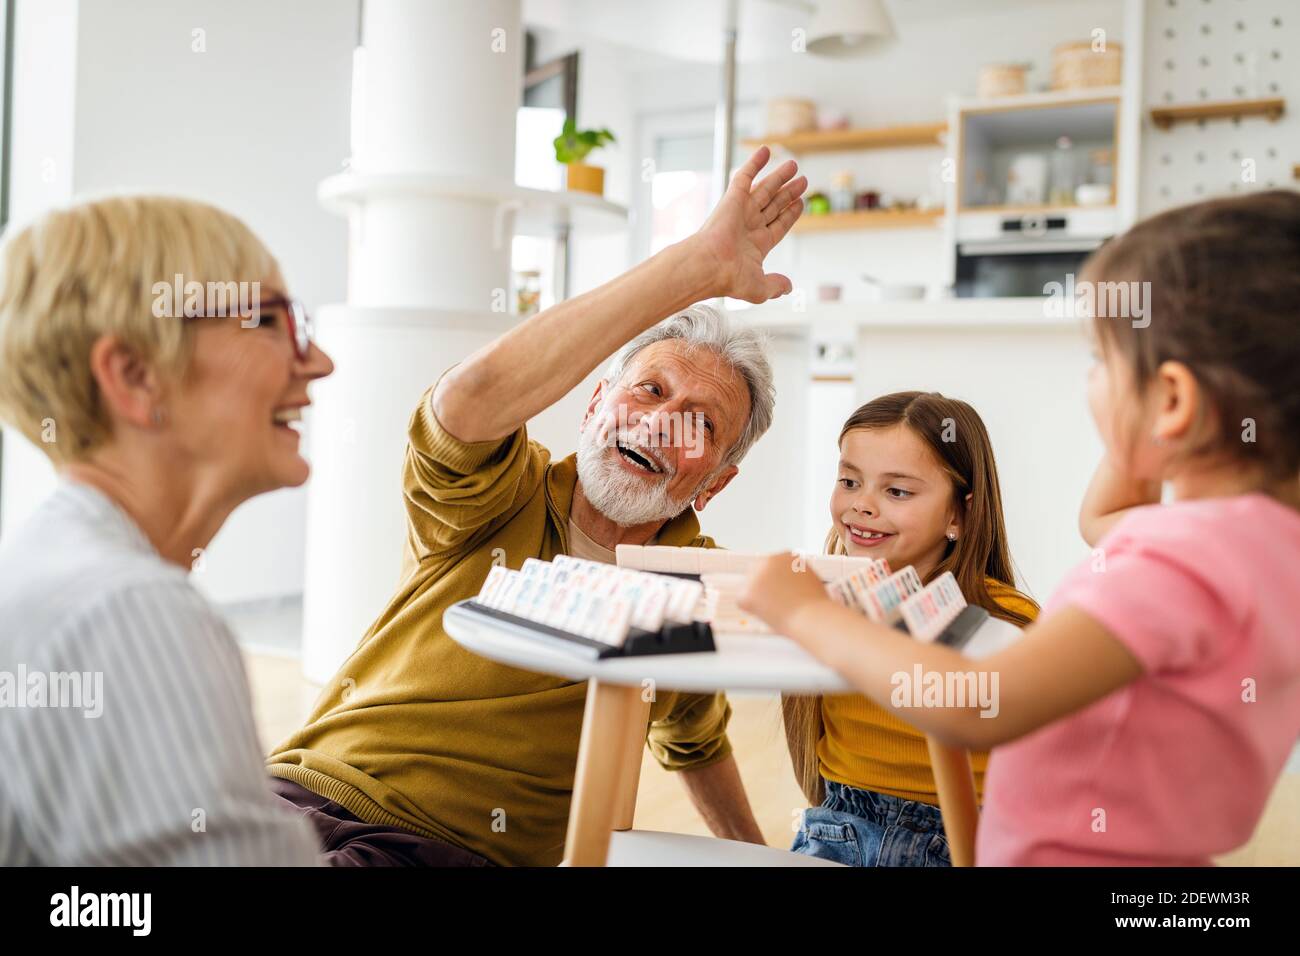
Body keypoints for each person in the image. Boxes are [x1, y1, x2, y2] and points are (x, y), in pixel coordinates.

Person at [267, 146, 807, 866]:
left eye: (701, 424)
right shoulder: (500, 491)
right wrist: (693, 267)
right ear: (593, 406)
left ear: (715, 484)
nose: (658, 424)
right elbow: (466, 401)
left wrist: (758, 855)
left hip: (435, 850)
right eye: (648, 390)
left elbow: (694, 739)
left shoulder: (691, 587)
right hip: (291, 793)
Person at [740, 191, 1300, 865]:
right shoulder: (1257, 548)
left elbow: (981, 703)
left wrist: (805, 613)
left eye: (1102, 362)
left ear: (1174, 399)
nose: (1092, 381)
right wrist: (1141, 421)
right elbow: (1106, 522)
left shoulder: (1176, 563)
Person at [0, 195, 334, 865]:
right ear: (135, 376)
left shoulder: (54, 563)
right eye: (273, 321)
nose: (318, 361)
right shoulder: (131, 614)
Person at [784, 392, 1037, 866]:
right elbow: (813, 756)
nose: (862, 506)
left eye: (896, 491)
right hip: (840, 826)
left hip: (964, 841)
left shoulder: (1004, 618)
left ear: (959, 514)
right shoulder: (823, 603)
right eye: (849, 481)